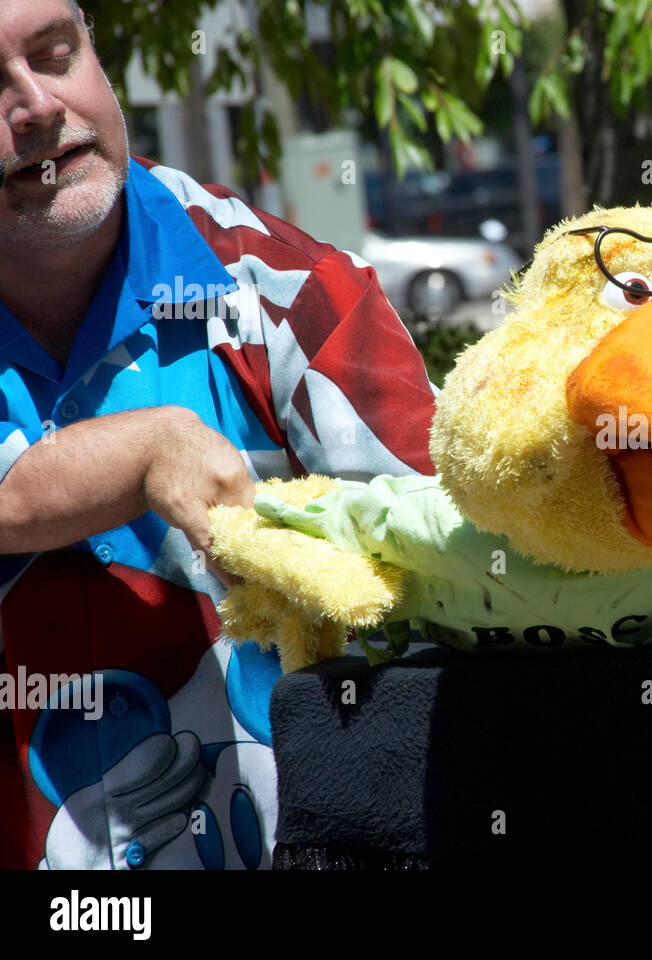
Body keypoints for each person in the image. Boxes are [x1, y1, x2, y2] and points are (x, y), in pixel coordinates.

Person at [0, 0, 438, 868]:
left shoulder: (299, 293)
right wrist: (143, 449)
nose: (37, 106)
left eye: (56, 54)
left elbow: (453, 578)